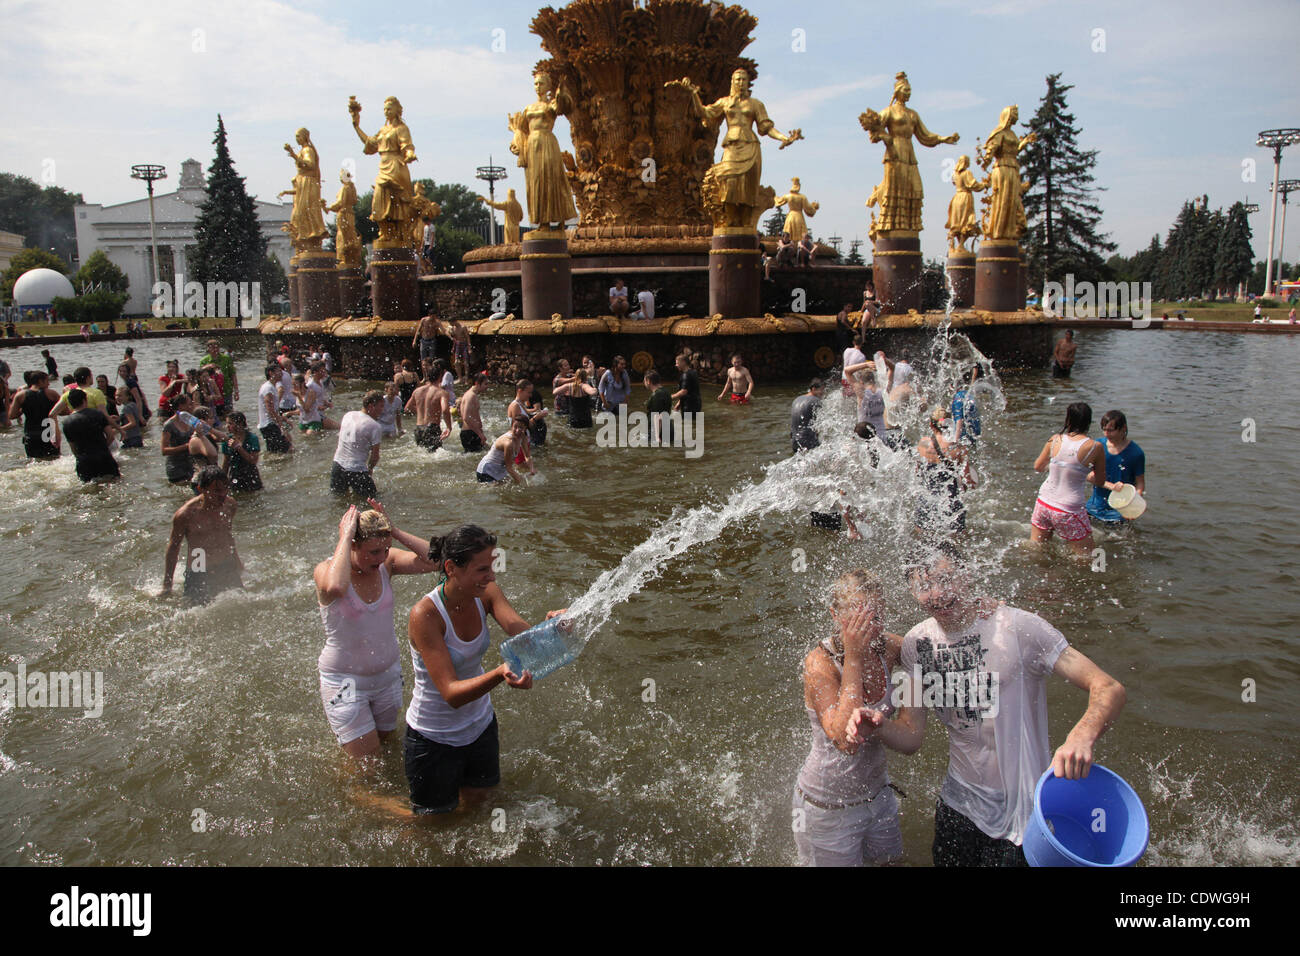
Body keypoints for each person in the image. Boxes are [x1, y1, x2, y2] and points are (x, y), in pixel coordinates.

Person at [872, 545, 1125, 866]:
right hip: (957, 807)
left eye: (946, 579)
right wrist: (876, 724)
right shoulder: (916, 645)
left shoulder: (1019, 629)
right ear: (911, 591)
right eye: (924, 586)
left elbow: (1109, 688)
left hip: (1021, 818)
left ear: (969, 574)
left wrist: (1080, 737)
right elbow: (910, 736)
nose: (937, 594)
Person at [404, 525, 567, 814]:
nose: (491, 576)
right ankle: (373, 806)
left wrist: (555, 626)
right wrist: (500, 673)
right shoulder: (425, 615)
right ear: (452, 568)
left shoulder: (487, 592)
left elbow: (526, 640)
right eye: (482, 569)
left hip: (480, 728)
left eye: (491, 566)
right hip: (433, 739)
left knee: (481, 806)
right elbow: (451, 693)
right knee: (432, 825)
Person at [794, 570, 920, 866]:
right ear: (835, 615)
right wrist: (853, 656)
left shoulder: (887, 648)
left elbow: (933, 648)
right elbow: (844, 741)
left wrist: (977, 615)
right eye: (858, 618)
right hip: (827, 809)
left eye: (875, 618)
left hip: (878, 797)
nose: (868, 628)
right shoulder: (819, 664)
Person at [316, 502, 438, 761]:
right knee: (366, 769)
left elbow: (436, 560)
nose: (380, 558)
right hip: (346, 683)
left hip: (387, 678)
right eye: (372, 552)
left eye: (384, 550)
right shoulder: (326, 570)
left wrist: (395, 531)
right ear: (351, 544)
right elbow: (336, 587)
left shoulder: (387, 564)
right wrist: (345, 534)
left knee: (388, 753)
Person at [1030, 402, 1106, 557]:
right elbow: (1100, 480)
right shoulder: (1094, 446)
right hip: (1069, 509)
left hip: (1044, 503)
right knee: (1087, 558)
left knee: (1037, 551)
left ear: (1068, 420)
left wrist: (1057, 467)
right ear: (1088, 421)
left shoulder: (1055, 439)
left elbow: (1038, 466)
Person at [509, 70, 579, 230]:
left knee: (552, 179)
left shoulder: (551, 104)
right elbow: (521, 130)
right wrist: (516, 145)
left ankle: (560, 220)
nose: (538, 86)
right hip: (532, 146)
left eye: (541, 83)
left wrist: (561, 90)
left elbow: (564, 107)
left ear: (548, 86)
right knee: (536, 182)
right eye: (536, 83)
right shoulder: (528, 108)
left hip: (547, 142)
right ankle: (543, 222)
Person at [162, 466, 244, 604]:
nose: (223, 494)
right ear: (201, 489)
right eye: (217, 491)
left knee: (241, 605)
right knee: (194, 610)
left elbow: (227, 535)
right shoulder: (185, 514)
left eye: (226, 489)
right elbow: (173, 547)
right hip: (198, 566)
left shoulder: (230, 505)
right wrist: (167, 585)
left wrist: (237, 562)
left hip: (226, 564)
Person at [914, 407, 974, 538]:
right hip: (950, 501)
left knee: (924, 542)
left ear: (931, 424)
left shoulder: (923, 443)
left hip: (926, 500)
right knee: (956, 544)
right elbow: (967, 481)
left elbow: (918, 472)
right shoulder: (958, 448)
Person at [1085, 410, 1146, 525]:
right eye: (1104, 429)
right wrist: (1112, 486)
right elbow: (1087, 475)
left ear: (1123, 428)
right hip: (1094, 508)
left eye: (1111, 430)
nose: (1106, 434)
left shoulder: (1136, 453)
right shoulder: (1097, 446)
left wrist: (1134, 505)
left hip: (1119, 512)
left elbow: (1140, 483)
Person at [331, 391, 385, 498]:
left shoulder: (348, 415)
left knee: (339, 500)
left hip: (337, 465)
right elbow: (375, 457)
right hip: (356, 470)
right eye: (381, 406)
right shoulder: (375, 426)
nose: (382, 410)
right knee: (372, 501)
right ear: (371, 406)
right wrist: (369, 469)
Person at [60, 388, 120, 483]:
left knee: (89, 488)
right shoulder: (98, 414)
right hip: (104, 457)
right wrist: (103, 447)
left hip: (84, 461)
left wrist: (81, 457)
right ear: (84, 400)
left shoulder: (66, 422)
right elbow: (110, 435)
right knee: (113, 483)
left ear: (70, 404)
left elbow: (73, 447)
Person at [9, 370, 61, 459]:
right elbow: (65, 412)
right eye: (47, 381)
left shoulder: (20, 395)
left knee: (34, 461)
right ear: (40, 381)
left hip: (31, 435)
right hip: (48, 434)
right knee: (53, 459)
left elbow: (12, 415)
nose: (49, 384)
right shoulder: (52, 394)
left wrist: (23, 408)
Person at [406, 373, 453, 452]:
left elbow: (407, 408)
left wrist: (422, 411)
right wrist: (449, 427)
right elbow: (445, 410)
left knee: (421, 455)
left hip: (419, 428)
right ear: (440, 378)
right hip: (432, 428)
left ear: (427, 378)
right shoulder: (441, 393)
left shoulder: (417, 391)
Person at [475, 418, 529, 484]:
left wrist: (532, 469)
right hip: (486, 471)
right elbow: (509, 467)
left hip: (499, 469)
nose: (517, 430)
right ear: (511, 426)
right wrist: (520, 483)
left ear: (525, 428)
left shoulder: (523, 436)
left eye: (521, 428)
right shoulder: (509, 443)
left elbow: (527, 455)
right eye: (515, 427)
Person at [161, 392, 198, 485]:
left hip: (191, 465)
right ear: (181, 406)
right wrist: (186, 446)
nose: (192, 405)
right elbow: (164, 450)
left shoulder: (192, 420)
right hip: (176, 468)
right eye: (189, 404)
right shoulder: (169, 425)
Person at [220, 411, 263, 492]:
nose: (227, 426)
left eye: (230, 423)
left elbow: (253, 460)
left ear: (239, 424)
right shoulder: (227, 440)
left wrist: (238, 447)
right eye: (227, 423)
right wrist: (222, 482)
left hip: (251, 476)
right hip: (235, 476)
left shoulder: (252, 438)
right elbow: (226, 463)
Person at [257, 364, 294, 453]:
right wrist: (282, 427)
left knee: (276, 453)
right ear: (271, 373)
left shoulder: (271, 386)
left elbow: (273, 410)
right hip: (269, 425)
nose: (281, 374)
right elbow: (270, 410)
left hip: (269, 425)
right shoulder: (268, 388)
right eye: (279, 371)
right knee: (288, 450)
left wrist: (283, 419)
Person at [508, 380, 549, 448]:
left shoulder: (520, 404)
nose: (531, 395)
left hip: (524, 442)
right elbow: (519, 427)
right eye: (529, 392)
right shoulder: (515, 406)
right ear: (520, 391)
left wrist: (538, 413)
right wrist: (536, 418)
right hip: (520, 444)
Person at [200, 339, 239, 407]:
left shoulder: (226, 358)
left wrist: (236, 391)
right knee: (214, 412)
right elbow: (200, 375)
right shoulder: (204, 361)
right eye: (212, 348)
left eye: (216, 347)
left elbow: (233, 374)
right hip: (211, 391)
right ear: (208, 349)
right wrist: (206, 367)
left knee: (228, 410)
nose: (215, 350)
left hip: (226, 389)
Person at [950, 366, 983, 447]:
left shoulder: (958, 398)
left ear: (952, 386)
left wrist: (955, 443)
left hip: (964, 438)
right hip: (975, 433)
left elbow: (959, 421)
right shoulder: (969, 395)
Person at [790, 379, 824, 453]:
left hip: (794, 441)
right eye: (821, 390)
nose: (822, 393)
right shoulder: (816, 401)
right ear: (813, 389)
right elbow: (819, 426)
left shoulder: (796, 399)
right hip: (807, 442)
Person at [457, 373, 488, 451]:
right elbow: (466, 417)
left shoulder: (471, 395)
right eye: (485, 384)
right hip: (470, 433)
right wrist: (480, 434)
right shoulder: (471, 396)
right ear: (477, 383)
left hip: (472, 432)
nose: (487, 387)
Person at [645, 370, 675, 445]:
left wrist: (656, 436)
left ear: (648, 381)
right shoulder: (666, 391)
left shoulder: (657, 395)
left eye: (644, 380)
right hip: (668, 429)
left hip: (659, 432)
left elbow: (658, 416)